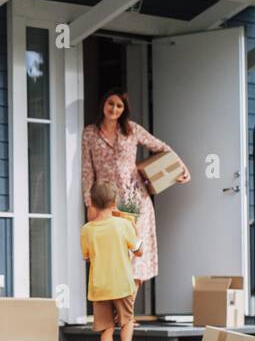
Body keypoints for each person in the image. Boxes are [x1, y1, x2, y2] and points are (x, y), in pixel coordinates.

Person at [80, 87, 189, 300]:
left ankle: (127, 312)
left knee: (136, 253)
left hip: (134, 198)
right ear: (103, 104)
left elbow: (163, 148)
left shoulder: (132, 129)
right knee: (112, 253)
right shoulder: (90, 133)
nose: (114, 109)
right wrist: (89, 203)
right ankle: (113, 308)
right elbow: (87, 170)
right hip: (106, 200)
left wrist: (181, 168)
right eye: (111, 103)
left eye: (119, 106)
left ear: (124, 109)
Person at [81, 180, 143, 341]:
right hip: (122, 283)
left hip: (100, 286)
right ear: (115, 201)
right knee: (127, 321)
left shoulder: (87, 229)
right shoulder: (124, 224)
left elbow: (87, 256)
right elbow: (139, 251)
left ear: (92, 203)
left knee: (106, 328)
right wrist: (137, 232)